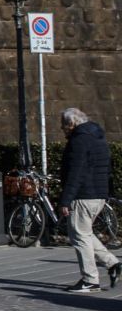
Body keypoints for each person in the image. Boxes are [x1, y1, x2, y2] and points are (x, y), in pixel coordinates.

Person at [58, 108, 121, 292]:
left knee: (79, 236)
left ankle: (90, 280)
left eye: (63, 126)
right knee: (85, 233)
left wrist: (65, 200)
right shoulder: (97, 137)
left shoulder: (79, 140)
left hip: (83, 195)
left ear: (72, 123)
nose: (63, 130)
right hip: (98, 195)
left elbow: (76, 172)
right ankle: (113, 264)